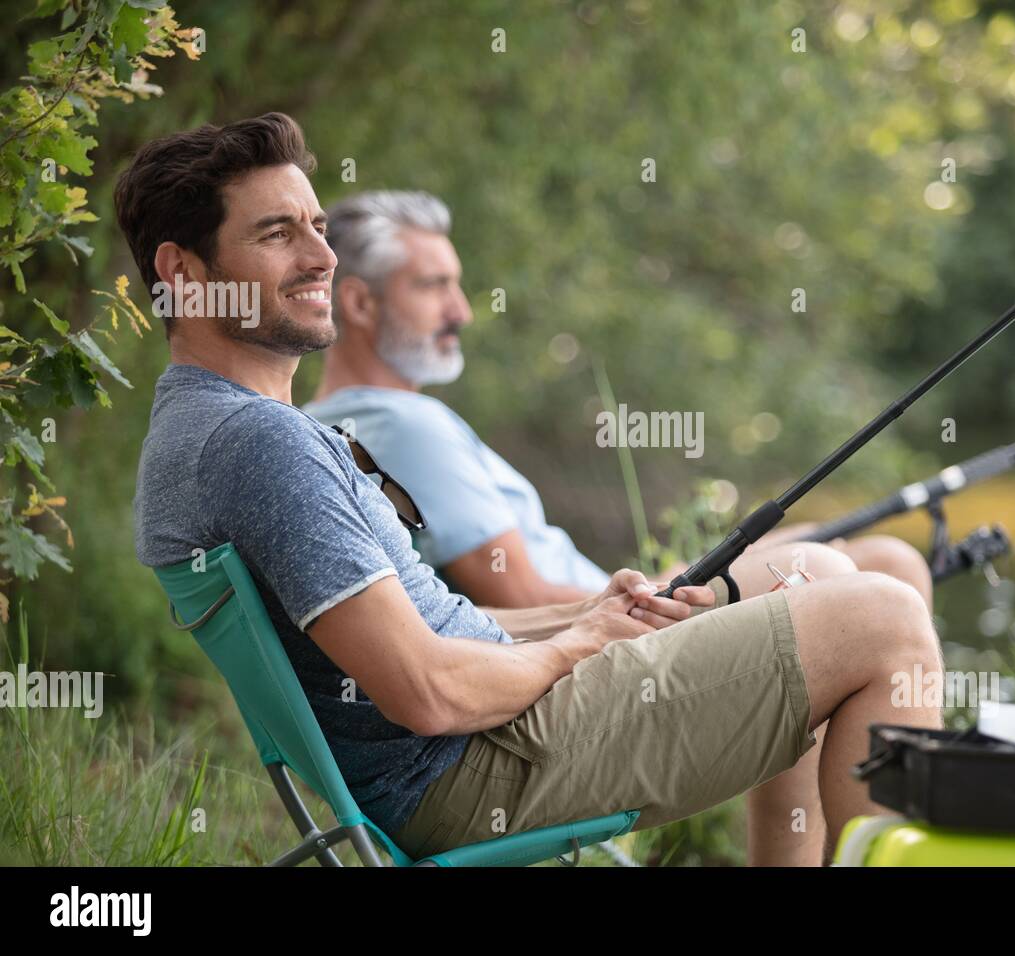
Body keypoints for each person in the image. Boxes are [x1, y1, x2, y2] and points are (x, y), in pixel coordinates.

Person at [121, 113, 943, 866]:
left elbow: (422, 638)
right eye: (277, 234)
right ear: (183, 274)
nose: (322, 257)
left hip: (477, 739)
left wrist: (592, 615)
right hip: (474, 772)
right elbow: (429, 692)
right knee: (884, 618)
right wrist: (577, 647)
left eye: (318, 228)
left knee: (828, 577)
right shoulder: (257, 444)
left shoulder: (211, 427)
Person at [303, 190, 934, 611]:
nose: (461, 311)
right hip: (599, 651)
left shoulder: (333, 424)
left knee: (857, 553)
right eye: (434, 287)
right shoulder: (401, 426)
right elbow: (522, 599)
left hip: (605, 614)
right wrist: (657, 600)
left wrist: (695, 573)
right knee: (850, 580)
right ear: (358, 303)